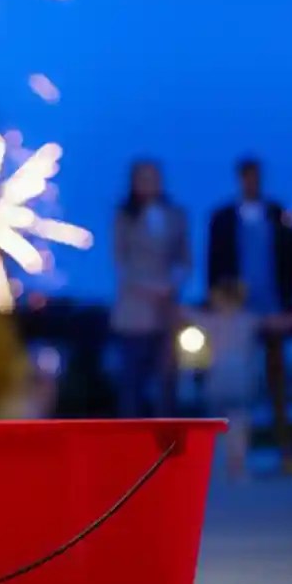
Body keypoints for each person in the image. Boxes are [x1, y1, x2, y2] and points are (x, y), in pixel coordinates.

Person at [206, 157, 292, 473]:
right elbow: (215, 262)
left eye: (256, 176)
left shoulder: (277, 215)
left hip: (272, 306)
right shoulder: (222, 218)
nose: (252, 182)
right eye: (247, 177)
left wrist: (289, 303)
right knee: (235, 384)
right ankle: (233, 458)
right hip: (237, 310)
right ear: (239, 179)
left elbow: (291, 258)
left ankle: (286, 452)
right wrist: (218, 302)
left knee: (277, 381)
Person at [186, 280, 292, 483]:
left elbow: (185, 313)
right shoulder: (246, 319)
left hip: (223, 379)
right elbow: (276, 322)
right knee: (237, 422)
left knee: (226, 423)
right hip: (234, 378)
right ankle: (235, 466)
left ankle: (229, 466)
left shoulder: (215, 320)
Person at [110, 159, 190, 417]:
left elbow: (185, 260)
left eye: (154, 177)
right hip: (134, 314)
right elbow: (121, 262)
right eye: (144, 178)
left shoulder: (175, 216)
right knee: (132, 386)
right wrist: (151, 287)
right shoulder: (124, 217)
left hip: (166, 314)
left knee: (167, 385)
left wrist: (172, 283)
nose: (150, 183)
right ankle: (130, 449)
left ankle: (166, 449)